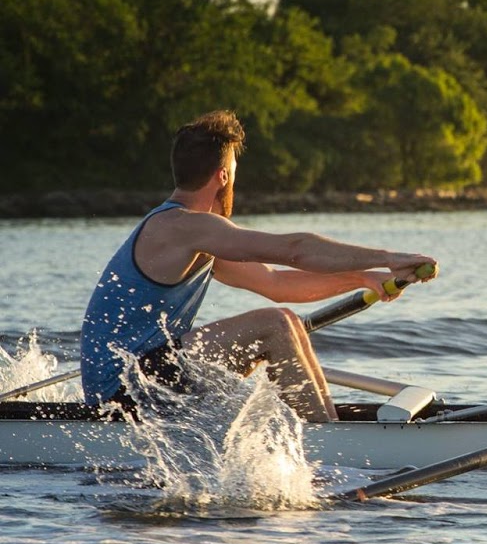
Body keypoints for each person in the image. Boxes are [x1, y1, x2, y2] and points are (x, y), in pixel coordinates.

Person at [80, 110, 438, 422]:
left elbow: (277, 283)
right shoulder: (181, 226)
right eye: (235, 173)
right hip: (122, 392)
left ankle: (327, 427)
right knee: (273, 325)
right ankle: (326, 442)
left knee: (288, 321)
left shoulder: (195, 237)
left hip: (147, 374)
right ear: (223, 176)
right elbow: (295, 250)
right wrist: (388, 258)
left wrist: (363, 277)